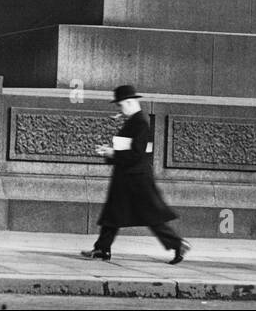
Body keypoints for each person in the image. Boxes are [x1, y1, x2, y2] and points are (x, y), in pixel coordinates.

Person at [81, 85, 189, 264]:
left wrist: (112, 154)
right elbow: (129, 150)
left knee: (150, 216)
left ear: (130, 102)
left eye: (120, 105)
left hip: (135, 179)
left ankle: (178, 244)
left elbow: (137, 153)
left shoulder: (140, 123)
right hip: (128, 177)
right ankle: (102, 248)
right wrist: (110, 151)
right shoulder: (134, 121)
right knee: (113, 213)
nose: (119, 109)